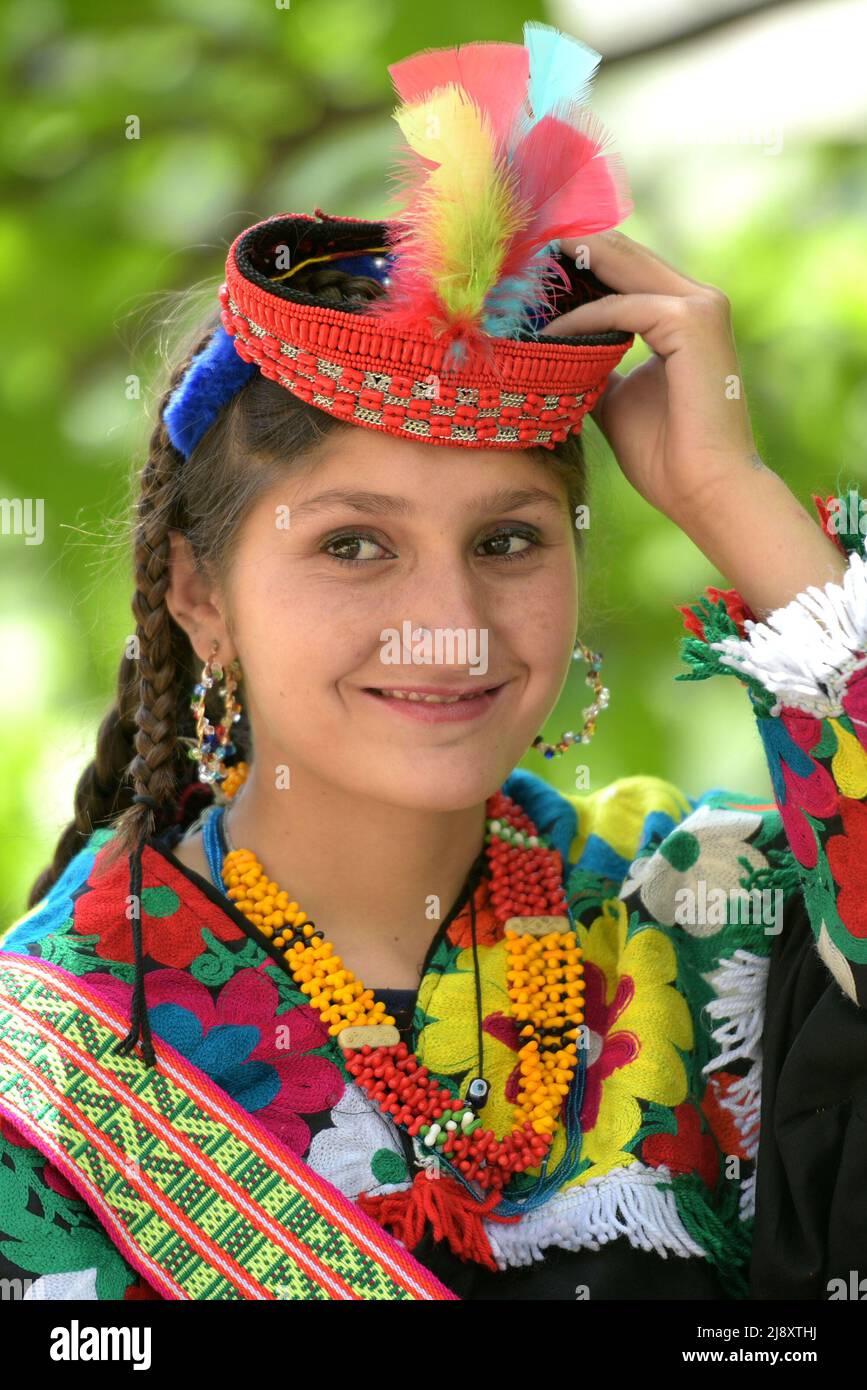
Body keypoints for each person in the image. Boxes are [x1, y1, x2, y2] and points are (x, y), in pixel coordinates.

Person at [1, 22, 866, 1303]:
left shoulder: (700, 925)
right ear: (198, 595)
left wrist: (731, 494)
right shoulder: (57, 1076)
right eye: (355, 545)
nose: (451, 620)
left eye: (508, 539)